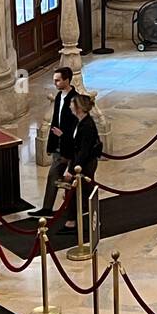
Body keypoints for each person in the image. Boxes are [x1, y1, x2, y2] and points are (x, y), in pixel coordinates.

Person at [33, 67, 77, 215]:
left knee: (68, 179)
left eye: (58, 80)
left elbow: (76, 125)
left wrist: (63, 135)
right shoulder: (58, 97)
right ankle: (47, 208)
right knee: (53, 176)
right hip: (58, 145)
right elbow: (54, 122)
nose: (55, 83)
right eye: (54, 80)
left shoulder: (75, 99)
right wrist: (51, 144)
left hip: (69, 146)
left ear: (67, 80)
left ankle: (74, 209)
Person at [62, 94, 102, 231]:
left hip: (85, 164)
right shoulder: (79, 122)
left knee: (79, 191)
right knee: (80, 191)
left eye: (72, 104)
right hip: (79, 162)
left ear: (78, 107)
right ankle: (79, 216)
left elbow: (83, 152)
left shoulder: (87, 126)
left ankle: (73, 220)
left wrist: (72, 170)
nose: (70, 106)